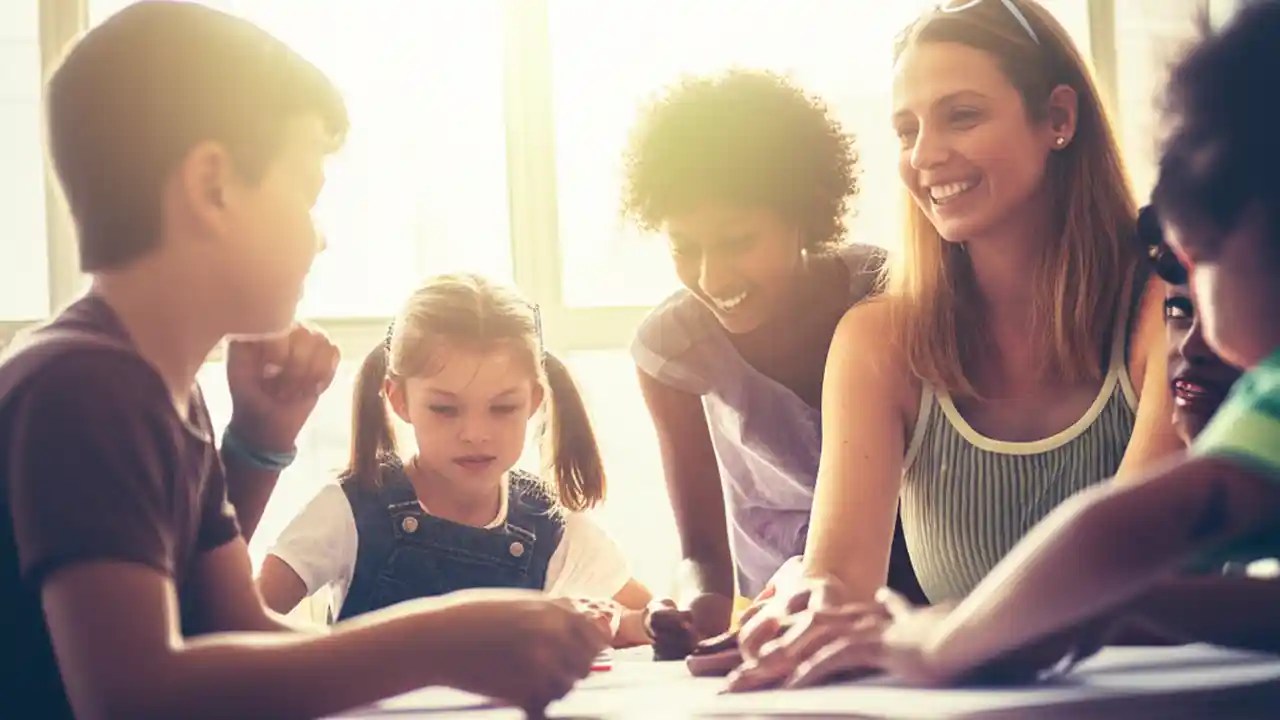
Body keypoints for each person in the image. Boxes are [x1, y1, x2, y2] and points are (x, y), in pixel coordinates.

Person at [0, 4, 603, 718]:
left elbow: (239, 630)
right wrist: (438, 641)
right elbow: (131, 695)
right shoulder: (84, 387)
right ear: (212, 187)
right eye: (309, 196)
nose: (321, 241)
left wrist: (460, 654)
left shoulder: (166, 394)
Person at [743, 3, 1280, 689]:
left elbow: (1125, 548)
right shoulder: (876, 337)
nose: (925, 154)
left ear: (1059, 118)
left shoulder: (1159, 308)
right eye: (906, 129)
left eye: (961, 115)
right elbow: (1142, 583)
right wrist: (810, 606)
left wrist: (935, 637)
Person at [624, 69, 924, 657]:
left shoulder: (889, 294)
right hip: (781, 609)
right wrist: (689, 610)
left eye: (738, 242)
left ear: (803, 216)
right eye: (685, 247)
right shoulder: (670, 350)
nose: (711, 278)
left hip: (918, 601)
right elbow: (703, 557)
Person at [257, 274, 653, 647]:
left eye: (502, 408)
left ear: (534, 400)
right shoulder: (351, 508)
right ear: (399, 400)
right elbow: (242, 620)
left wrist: (646, 622)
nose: (475, 433)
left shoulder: (551, 525)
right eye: (446, 410)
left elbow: (647, 616)